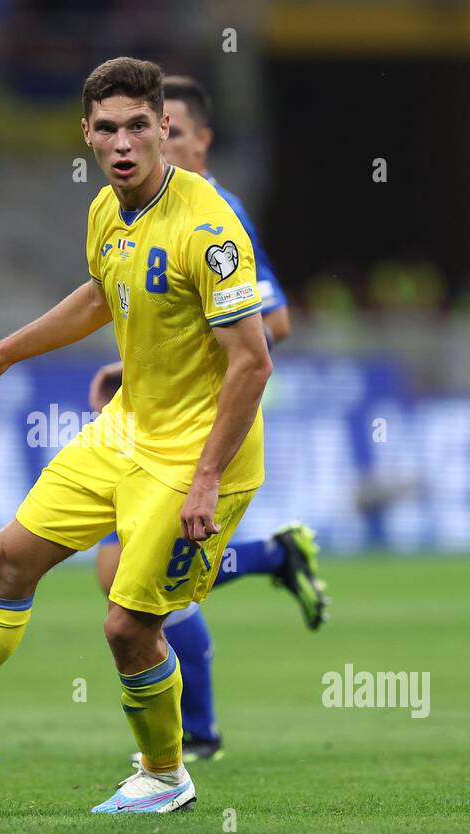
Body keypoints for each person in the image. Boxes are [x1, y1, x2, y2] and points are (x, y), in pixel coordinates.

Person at [0, 56, 273, 813]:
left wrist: (207, 477)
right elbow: (99, 295)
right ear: (86, 133)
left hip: (197, 457)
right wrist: (2, 354)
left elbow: (254, 361)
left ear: (163, 129)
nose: (122, 143)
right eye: (106, 129)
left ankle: (167, 775)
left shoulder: (209, 227)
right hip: (125, 433)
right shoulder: (106, 211)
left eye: (139, 127)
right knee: (7, 556)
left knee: (127, 627)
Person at [85, 75, 329, 763]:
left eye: (171, 132)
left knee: (134, 581)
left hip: (201, 425)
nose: (145, 144)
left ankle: (197, 734)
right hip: (143, 421)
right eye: (125, 130)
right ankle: (269, 561)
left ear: (196, 139)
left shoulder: (219, 211)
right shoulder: (134, 210)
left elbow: (272, 320)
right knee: (121, 576)